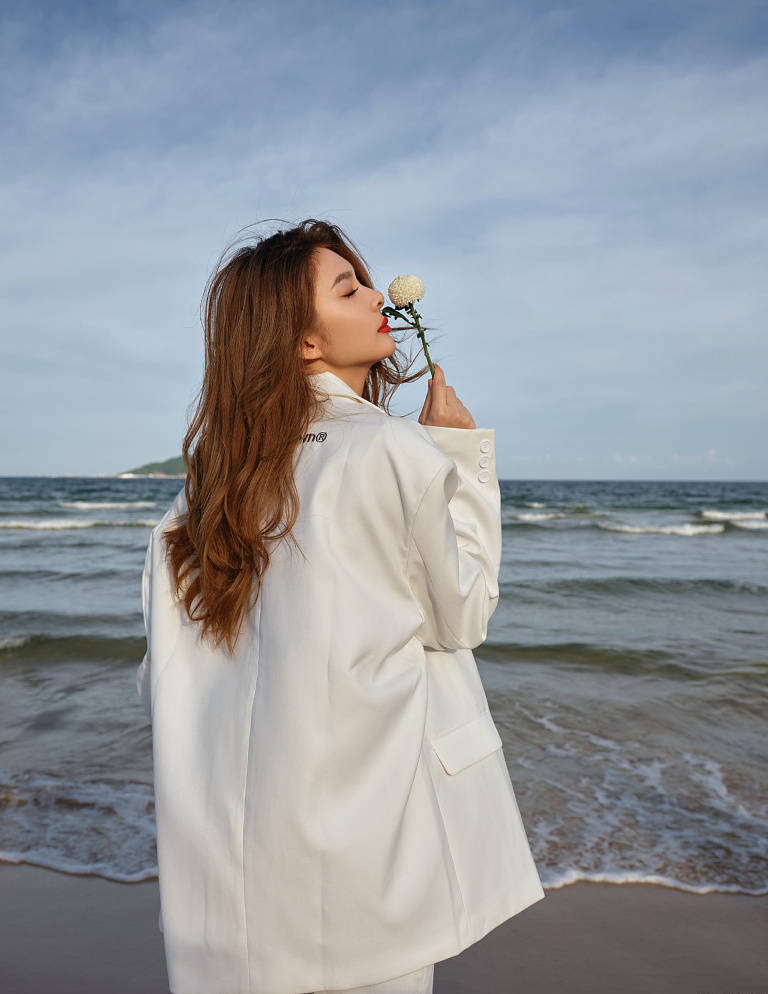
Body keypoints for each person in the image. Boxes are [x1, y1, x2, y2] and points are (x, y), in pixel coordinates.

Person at [136, 218, 545, 994]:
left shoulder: (198, 500)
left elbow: (172, 681)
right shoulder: (391, 449)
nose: (375, 296)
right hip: (365, 864)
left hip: (227, 884)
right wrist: (461, 456)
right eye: (348, 287)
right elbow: (461, 620)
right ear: (303, 343)